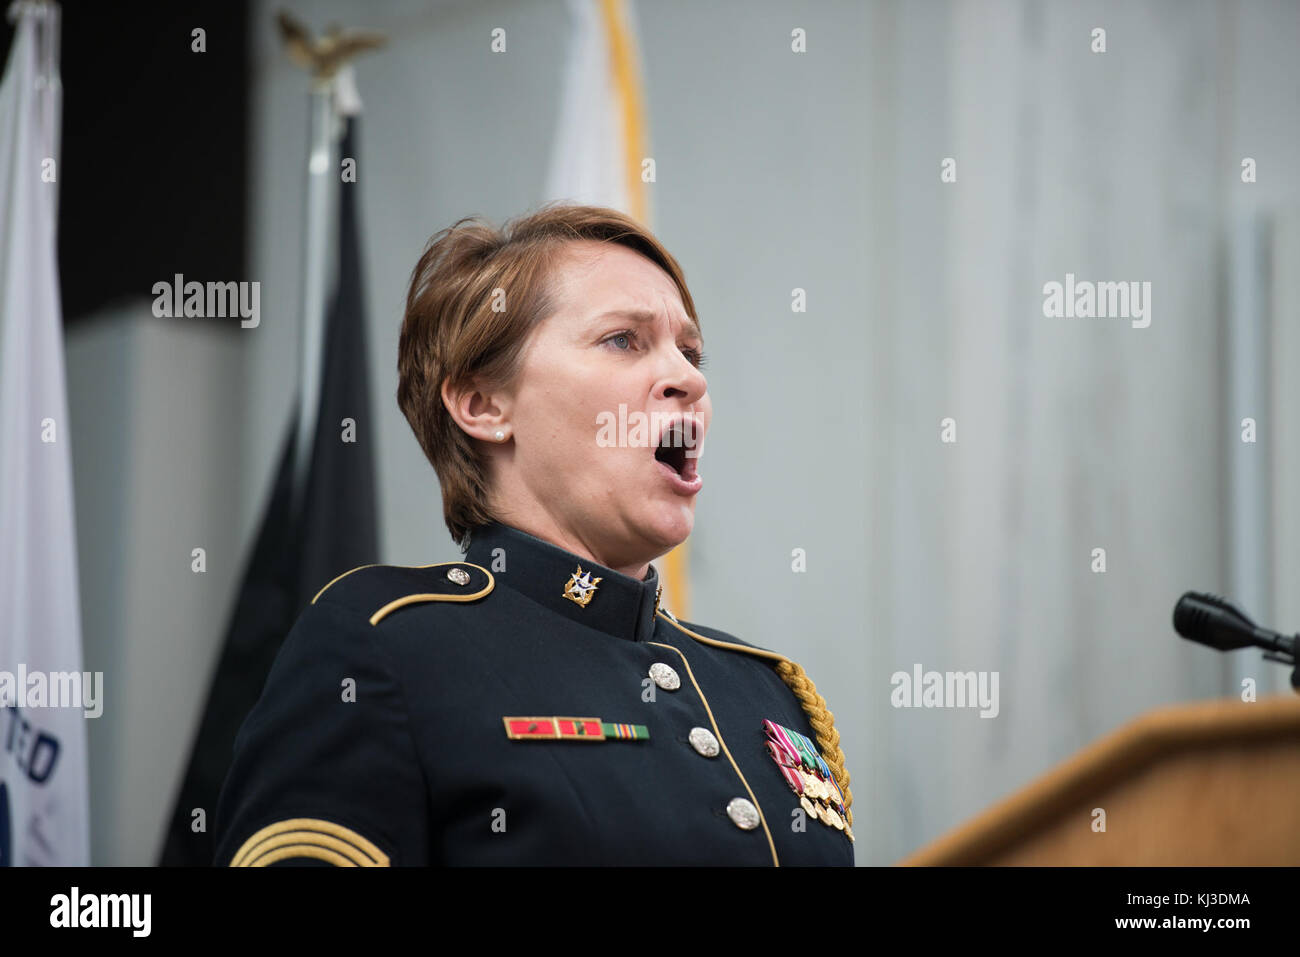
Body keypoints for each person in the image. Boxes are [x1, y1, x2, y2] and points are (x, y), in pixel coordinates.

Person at [212, 203, 854, 866]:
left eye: (691, 352)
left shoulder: (764, 690)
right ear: (484, 404)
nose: (690, 378)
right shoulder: (386, 644)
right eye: (623, 340)